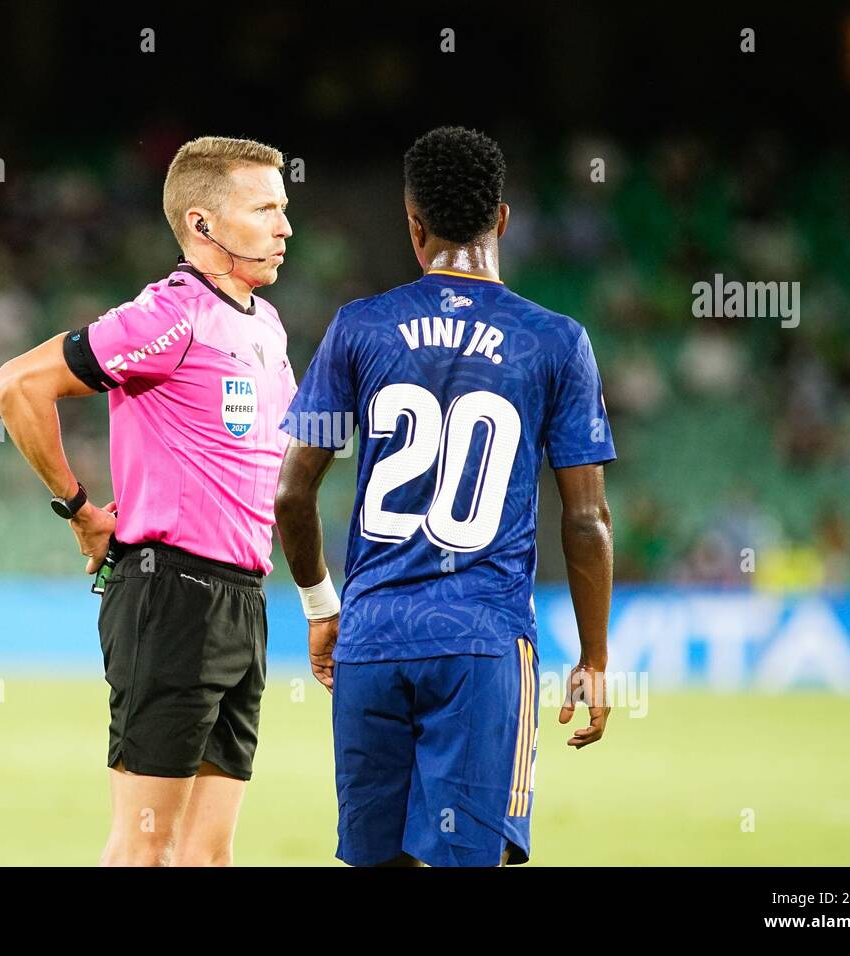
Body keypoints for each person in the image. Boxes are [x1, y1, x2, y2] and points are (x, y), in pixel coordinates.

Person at [274, 126, 615, 867]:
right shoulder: (556, 340)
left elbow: (291, 495)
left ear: (413, 223)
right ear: (502, 218)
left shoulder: (357, 327)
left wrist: (322, 609)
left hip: (372, 639)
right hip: (482, 643)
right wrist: (593, 654)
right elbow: (586, 520)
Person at [0, 136, 295, 866]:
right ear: (203, 225)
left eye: (284, 209)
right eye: (265, 209)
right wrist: (79, 509)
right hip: (173, 595)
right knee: (144, 851)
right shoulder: (171, 313)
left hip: (245, 599)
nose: (286, 227)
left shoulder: (267, 326)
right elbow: (18, 386)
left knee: (206, 856)